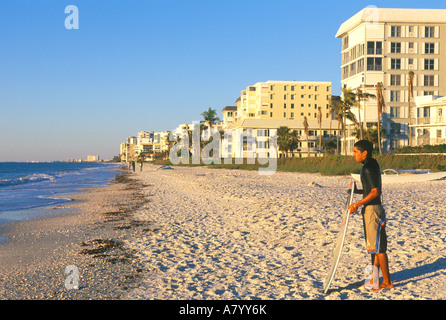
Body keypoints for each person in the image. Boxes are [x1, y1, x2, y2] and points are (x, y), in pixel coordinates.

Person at [348, 140, 393, 291]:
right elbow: (371, 190)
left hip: (373, 210)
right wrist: (357, 192)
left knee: (379, 248)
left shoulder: (368, 167)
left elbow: (375, 192)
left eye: (355, 151)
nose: (353, 155)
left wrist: (356, 204)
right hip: (371, 209)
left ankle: (386, 282)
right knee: (374, 247)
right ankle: (373, 279)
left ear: (364, 153)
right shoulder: (371, 165)